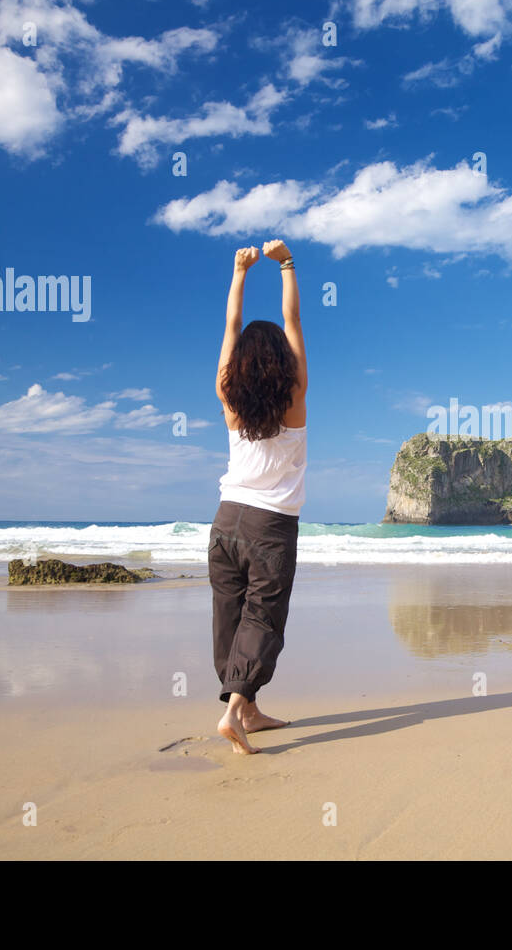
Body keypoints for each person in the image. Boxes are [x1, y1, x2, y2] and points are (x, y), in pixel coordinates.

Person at [208, 239, 307, 754]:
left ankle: (247, 707)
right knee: (262, 618)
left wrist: (238, 272)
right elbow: (292, 323)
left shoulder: (229, 396)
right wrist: (286, 264)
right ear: (283, 364)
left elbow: (230, 328)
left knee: (230, 614)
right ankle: (234, 711)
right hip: (270, 527)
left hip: (225, 524)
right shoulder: (295, 397)